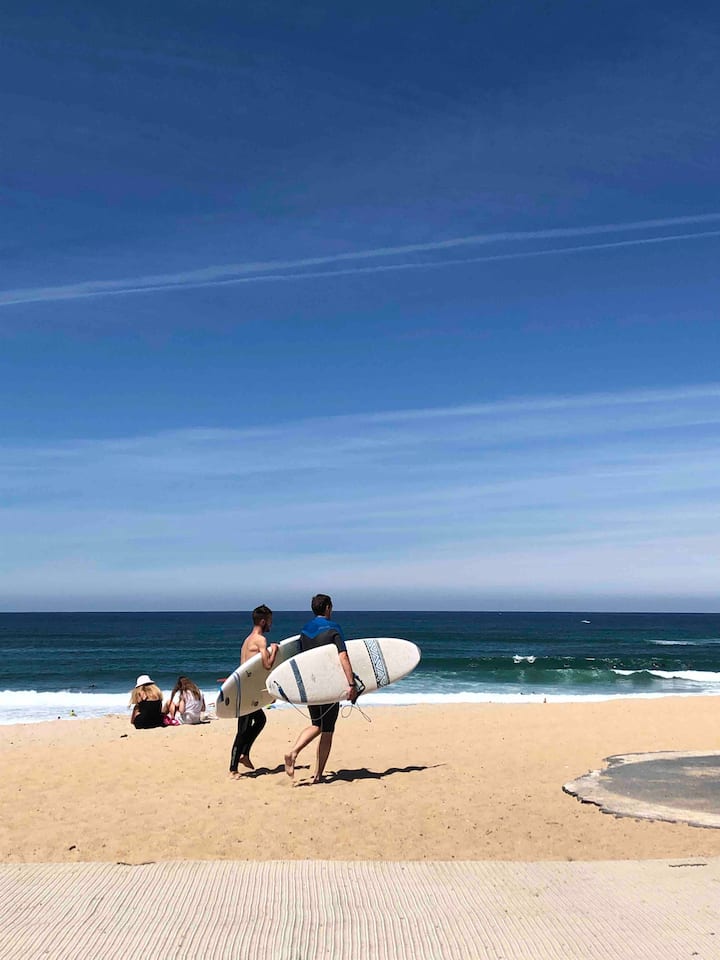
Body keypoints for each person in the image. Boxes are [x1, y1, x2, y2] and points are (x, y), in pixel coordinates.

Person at [284, 594, 358, 784]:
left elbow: (302, 660)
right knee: (327, 730)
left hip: (311, 685)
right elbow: (343, 657)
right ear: (327, 607)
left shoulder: (304, 631)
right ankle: (316, 774)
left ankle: (293, 753)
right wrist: (351, 684)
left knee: (316, 724)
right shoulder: (333, 628)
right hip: (328, 685)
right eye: (331, 606)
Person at [229, 604, 278, 776]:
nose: (271, 624)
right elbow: (267, 665)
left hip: (244, 687)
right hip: (246, 692)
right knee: (242, 728)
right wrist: (275, 650)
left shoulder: (247, 640)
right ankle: (233, 769)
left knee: (260, 720)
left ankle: (244, 754)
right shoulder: (260, 640)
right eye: (270, 621)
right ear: (263, 621)